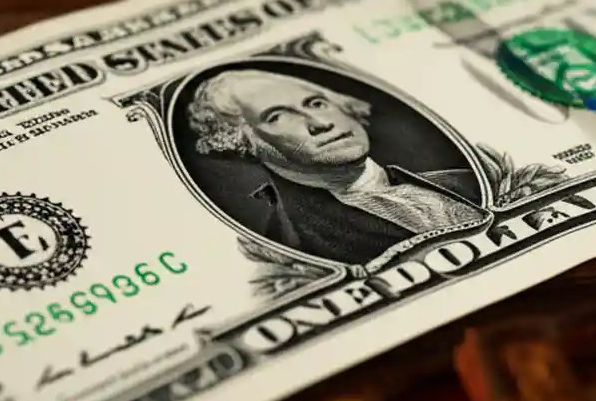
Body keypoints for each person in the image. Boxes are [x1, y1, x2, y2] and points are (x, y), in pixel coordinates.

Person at [187, 69, 485, 264]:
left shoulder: (466, 182)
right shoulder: (296, 247)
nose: (321, 123)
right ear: (241, 141)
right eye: (278, 116)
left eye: (316, 104)